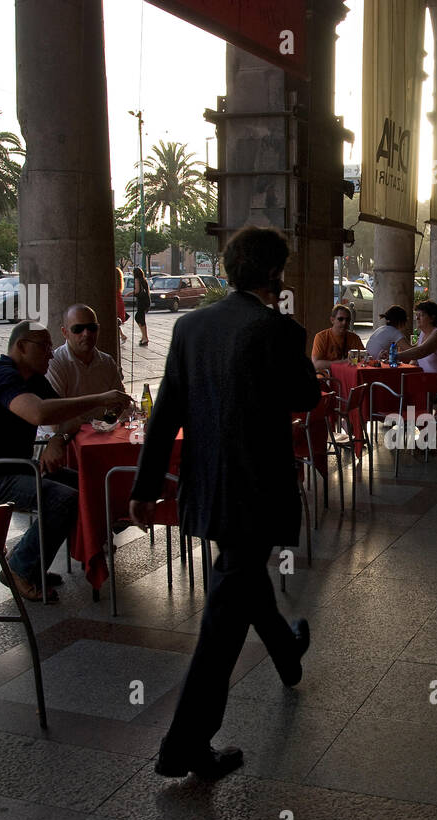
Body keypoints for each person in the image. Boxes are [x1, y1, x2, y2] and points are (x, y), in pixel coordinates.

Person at [129, 225, 321, 780]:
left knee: (239, 579)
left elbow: (165, 412)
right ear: (275, 274)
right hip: (256, 493)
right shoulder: (278, 330)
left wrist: (145, 489)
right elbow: (305, 397)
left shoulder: (190, 327)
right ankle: (184, 745)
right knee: (221, 623)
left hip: (207, 488)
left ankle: (286, 650)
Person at [0, 320, 131, 602]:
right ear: (21, 347)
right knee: (63, 499)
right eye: (44, 346)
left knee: (88, 485)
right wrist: (98, 398)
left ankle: (30, 564)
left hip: (17, 469)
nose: (51, 353)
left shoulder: (33, 378)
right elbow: (37, 413)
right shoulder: (1, 377)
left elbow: (69, 420)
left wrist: (56, 440)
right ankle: (20, 567)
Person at [45, 304, 125, 409]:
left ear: (98, 329)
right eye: (78, 329)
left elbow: (121, 404)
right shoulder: (55, 363)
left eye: (92, 328)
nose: (86, 334)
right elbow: (55, 411)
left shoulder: (107, 362)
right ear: (65, 333)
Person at [396, 299, 437, 402]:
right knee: (400, 387)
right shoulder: (423, 334)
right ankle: (416, 416)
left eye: (421, 315)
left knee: (406, 393)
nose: (417, 318)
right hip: (431, 382)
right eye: (416, 315)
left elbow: (421, 351)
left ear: (432, 318)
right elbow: (415, 361)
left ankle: (416, 416)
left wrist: (396, 355)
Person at [311, 304, 364, 373]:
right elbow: (316, 364)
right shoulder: (321, 337)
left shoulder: (354, 338)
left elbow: (364, 357)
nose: (344, 322)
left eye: (347, 320)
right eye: (340, 319)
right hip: (328, 376)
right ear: (332, 320)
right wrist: (343, 362)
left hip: (349, 374)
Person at [132, 265, 150, 346]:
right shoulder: (144, 280)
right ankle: (144, 337)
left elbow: (137, 291)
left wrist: (130, 293)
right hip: (145, 301)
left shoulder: (137, 279)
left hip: (141, 301)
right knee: (141, 318)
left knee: (138, 317)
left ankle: (145, 337)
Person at [115, 267, 128, 342]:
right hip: (119, 302)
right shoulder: (119, 283)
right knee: (116, 322)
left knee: (115, 321)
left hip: (116, 303)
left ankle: (122, 336)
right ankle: (122, 336)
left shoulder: (113, 283)